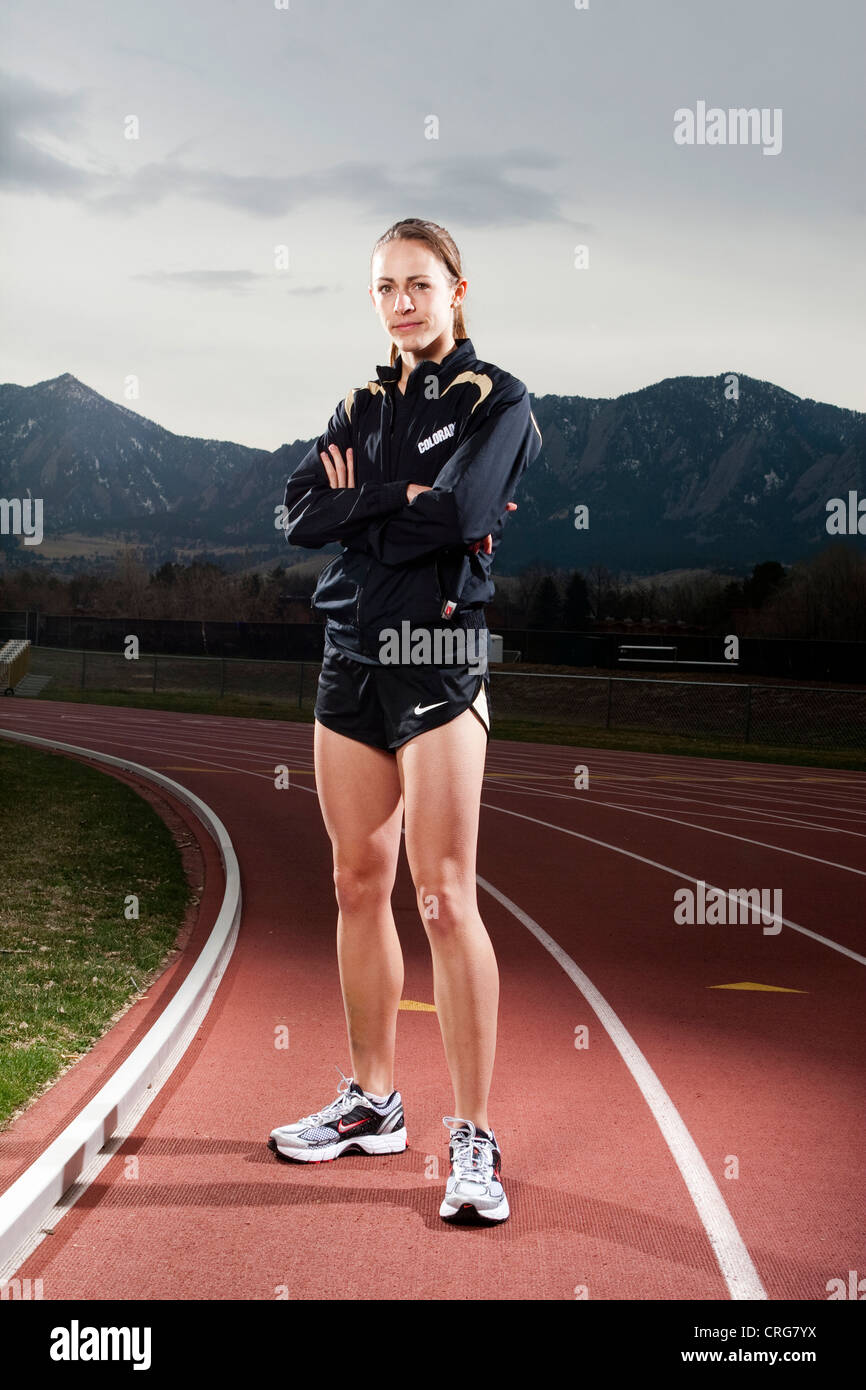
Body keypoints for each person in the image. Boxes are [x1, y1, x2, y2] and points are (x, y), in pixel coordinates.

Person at [268, 217, 542, 1224]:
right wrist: (396, 498)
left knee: (440, 896)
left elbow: (462, 514)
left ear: (457, 288)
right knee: (355, 881)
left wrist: (366, 505)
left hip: (436, 657)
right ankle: (373, 1102)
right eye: (385, 286)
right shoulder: (358, 402)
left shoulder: (499, 399)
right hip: (348, 657)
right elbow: (297, 512)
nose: (400, 303)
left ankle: (472, 1137)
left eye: (418, 284)